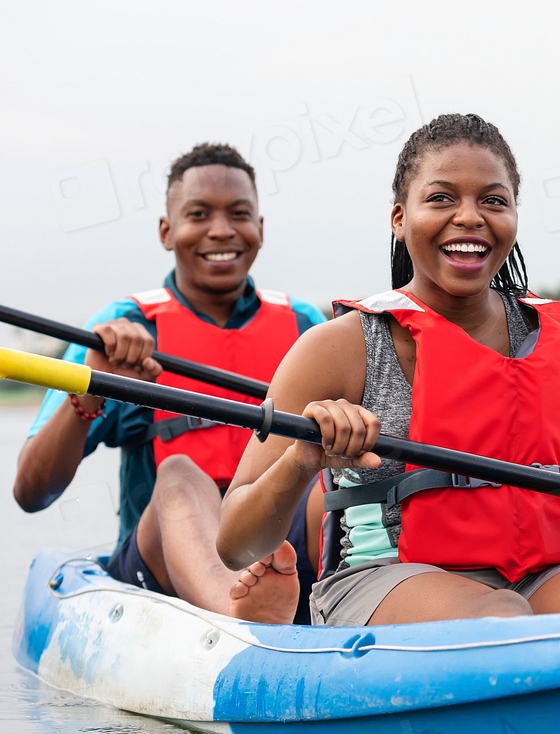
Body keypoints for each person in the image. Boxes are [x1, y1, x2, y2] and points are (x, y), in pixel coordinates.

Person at [218, 114, 560, 627]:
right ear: (400, 218)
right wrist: (301, 458)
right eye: (441, 198)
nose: (470, 217)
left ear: (514, 217)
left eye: (493, 201)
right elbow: (236, 542)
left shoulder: (558, 346)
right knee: (499, 616)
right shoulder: (338, 348)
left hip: (532, 577)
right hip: (383, 583)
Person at [13, 143, 326, 624]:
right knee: (178, 471)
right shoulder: (124, 326)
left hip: (281, 553)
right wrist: (92, 388)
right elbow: (32, 493)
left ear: (259, 230)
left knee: (330, 479)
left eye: (239, 214)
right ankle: (236, 608)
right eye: (199, 214)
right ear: (167, 230)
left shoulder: (306, 326)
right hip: (161, 566)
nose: (221, 230)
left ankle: (372, 600)